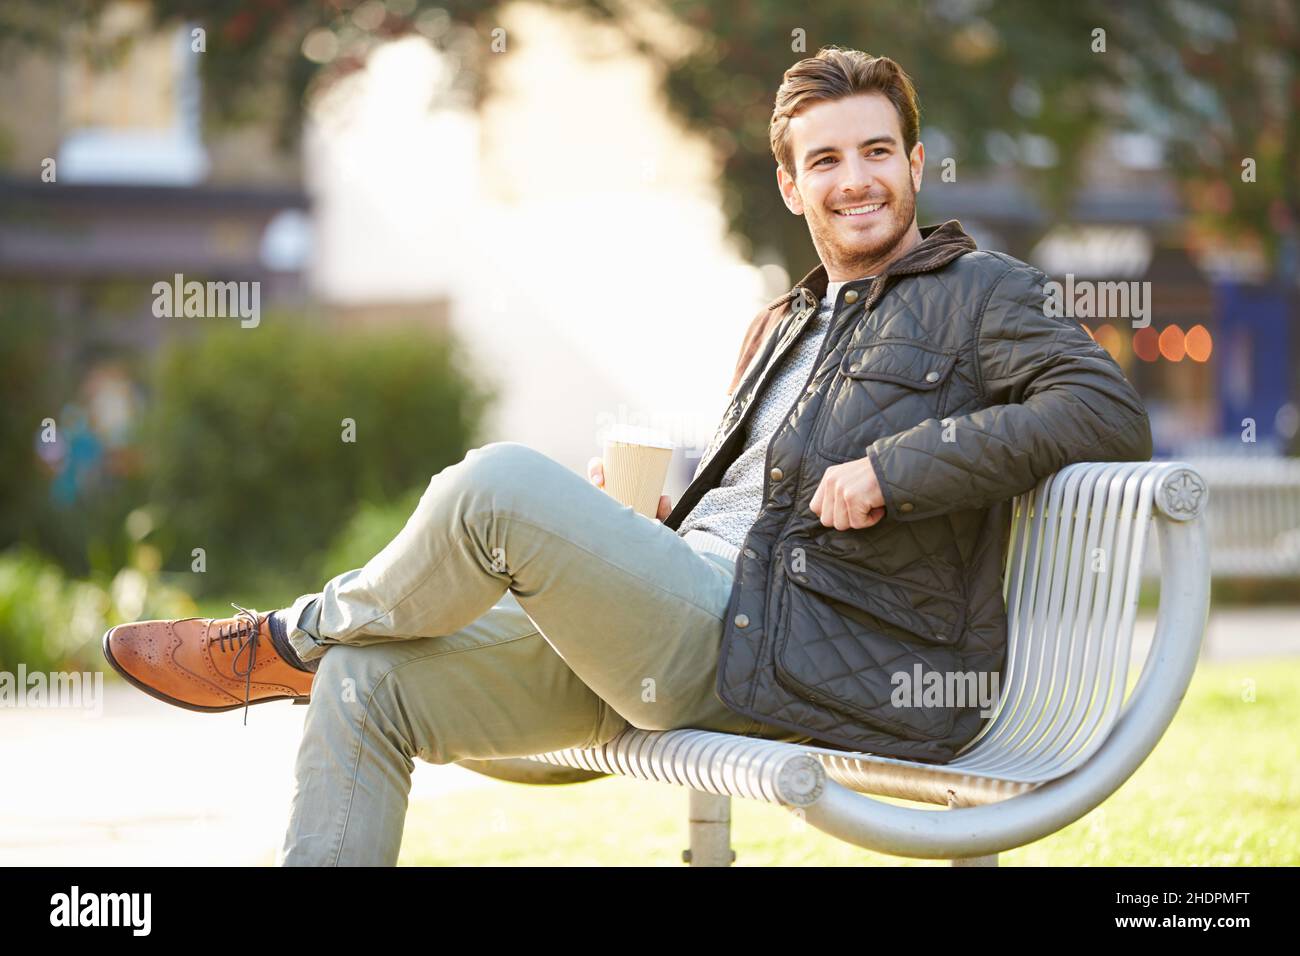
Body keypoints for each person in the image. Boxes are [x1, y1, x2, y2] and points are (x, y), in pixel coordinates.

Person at [101, 47, 1153, 866]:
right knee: (364, 683)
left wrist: (898, 469)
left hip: (804, 659)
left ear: (915, 165)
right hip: (686, 625)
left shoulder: (981, 294)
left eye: (877, 152)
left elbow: (1105, 411)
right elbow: (753, 508)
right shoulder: (782, 322)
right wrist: (645, 527)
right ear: (792, 187)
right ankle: (321, 653)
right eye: (825, 160)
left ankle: (284, 639)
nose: (856, 180)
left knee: (497, 483)